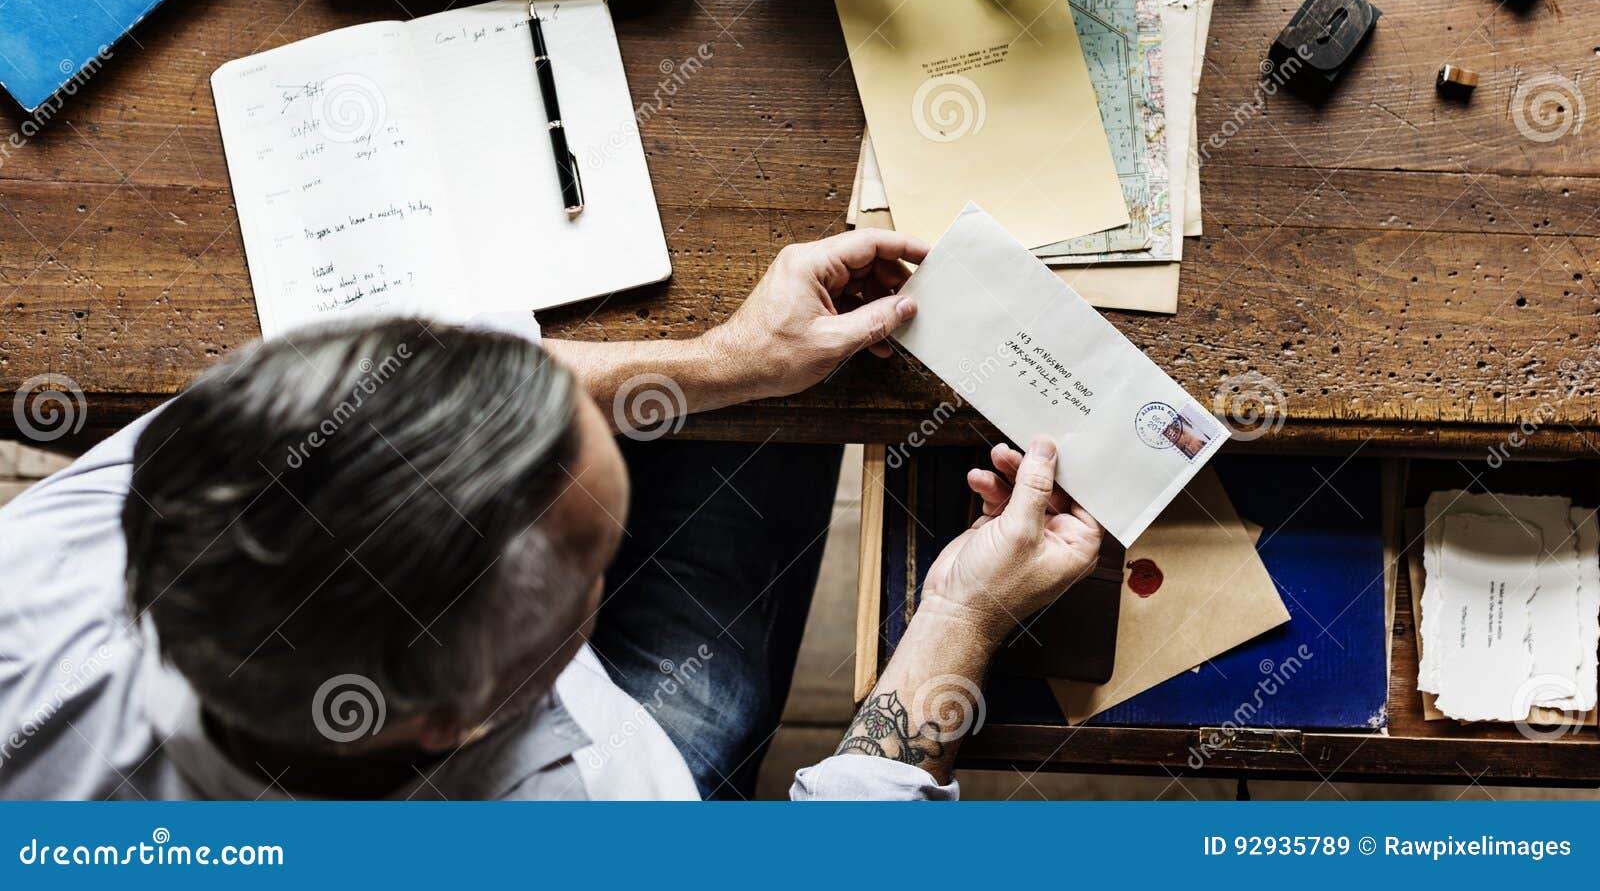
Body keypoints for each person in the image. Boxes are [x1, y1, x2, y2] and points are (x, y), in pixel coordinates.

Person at [0, 229, 1102, 801]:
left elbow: (439, 376)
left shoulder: (43, 561)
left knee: (773, 405)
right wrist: (958, 618)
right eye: (597, 559)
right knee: (773, 471)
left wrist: (722, 364)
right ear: (454, 721)